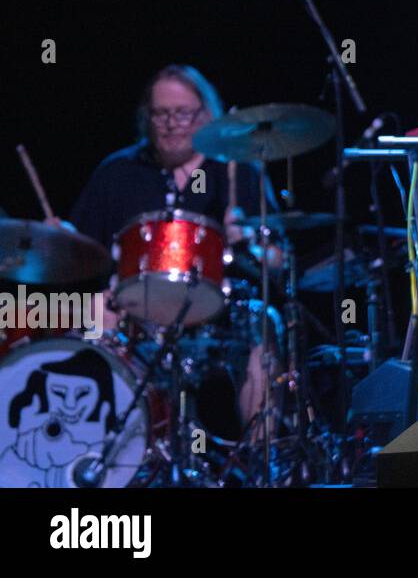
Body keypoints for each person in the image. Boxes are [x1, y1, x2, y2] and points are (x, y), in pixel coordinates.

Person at [53, 64, 284, 437]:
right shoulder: (118, 171)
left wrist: (249, 242)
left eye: (183, 113)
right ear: (147, 117)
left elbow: (278, 261)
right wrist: (63, 242)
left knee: (262, 320)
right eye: (160, 113)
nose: (171, 123)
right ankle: (106, 450)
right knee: (92, 310)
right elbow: (82, 253)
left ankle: (263, 460)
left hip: (218, 314)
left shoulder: (236, 171)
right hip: (133, 317)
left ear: (207, 115)